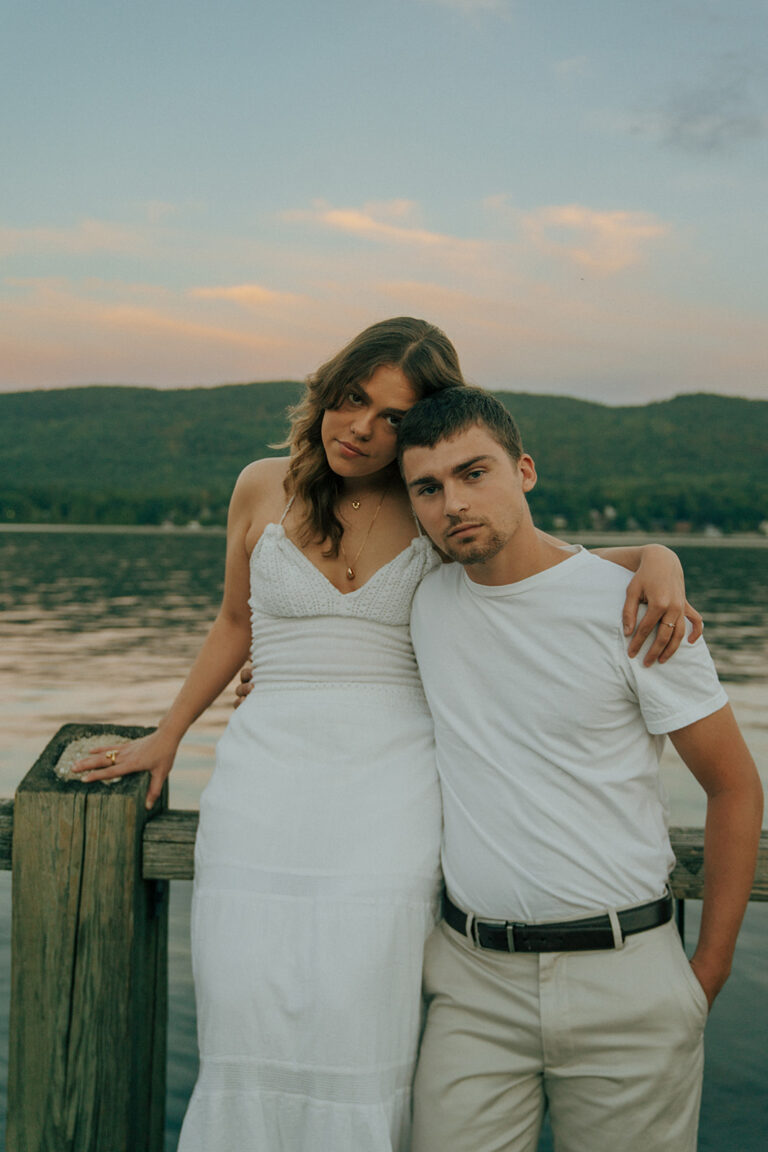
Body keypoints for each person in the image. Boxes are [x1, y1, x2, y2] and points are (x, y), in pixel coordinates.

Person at [74, 318, 699, 1152]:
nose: (361, 428)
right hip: (260, 786)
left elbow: (539, 563)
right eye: (351, 398)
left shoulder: (433, 505)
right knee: (247, 1006)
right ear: (326, 391)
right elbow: (234, 623)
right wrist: (169, 734)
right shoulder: (261, 486)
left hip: (394, 796)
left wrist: (655, 555)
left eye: (393, 418)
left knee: (361, 1017)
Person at [396, 387, 763, 1152]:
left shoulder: (634, 609)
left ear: (524, 470)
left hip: (627, 980)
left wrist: (707, 977)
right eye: (427, 487)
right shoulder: (425, 603)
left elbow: (733, 787)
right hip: (472, 984)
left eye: (474, 473)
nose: (453, 502)